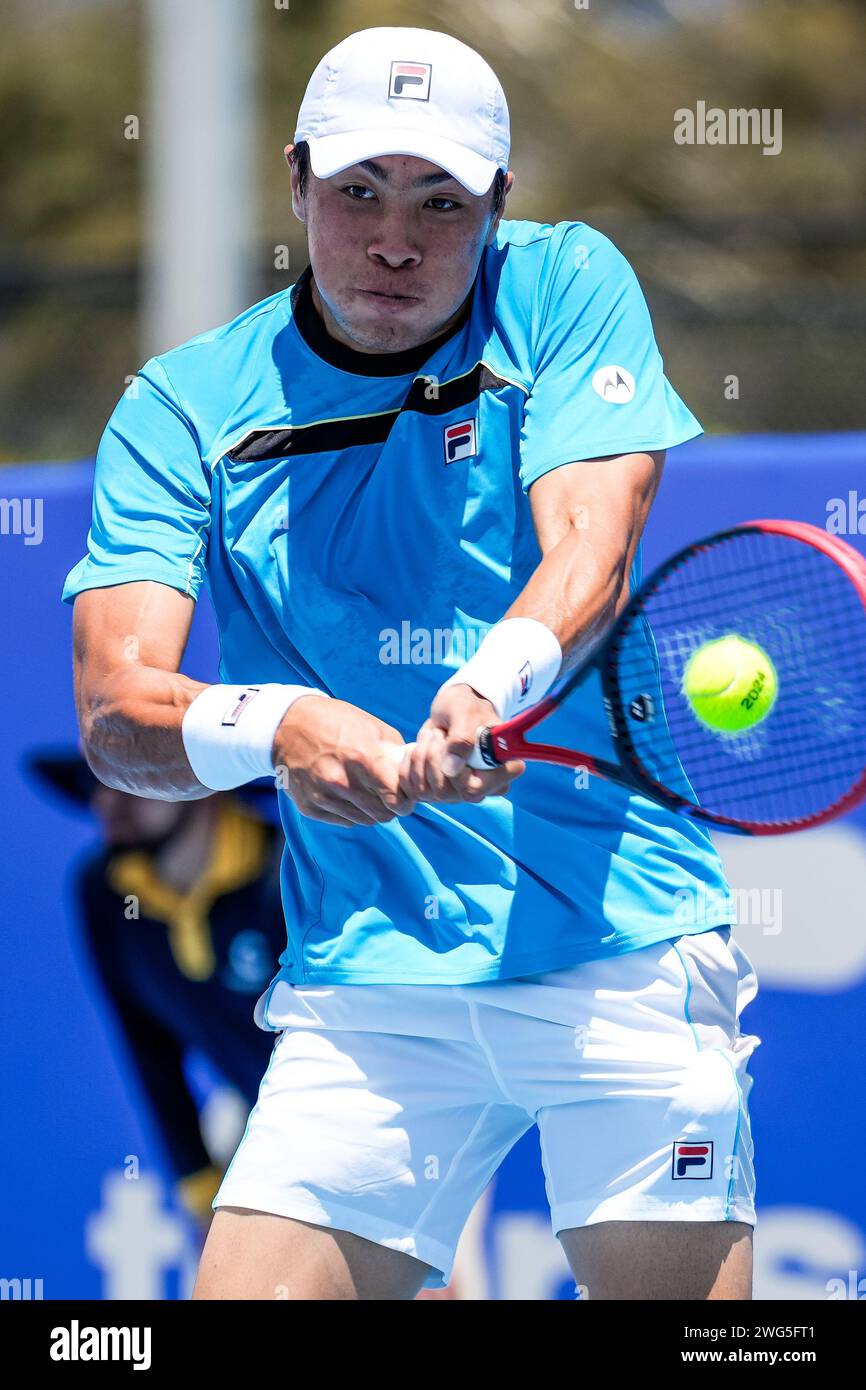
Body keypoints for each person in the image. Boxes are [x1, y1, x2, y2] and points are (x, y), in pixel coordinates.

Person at [63, 27, 760, 1301]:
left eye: (442, 201)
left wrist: (490, 683)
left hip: (620, 948)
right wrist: (281, 727)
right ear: (296, 185)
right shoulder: (179, 407)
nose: (395, 239)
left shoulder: (560, 284)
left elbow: (590, 550)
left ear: (498, 206)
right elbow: (116, 712)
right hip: (367, 982)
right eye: (358, 193)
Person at [26, 750, 285, 1231]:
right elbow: (148, 1046)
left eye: (133, 778)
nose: (106, 800)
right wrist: (199, 1184)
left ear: (206, 785)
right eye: (98, 782)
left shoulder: (297, 872)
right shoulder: (105, 893)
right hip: (259, 1119)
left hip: (387, 1122)